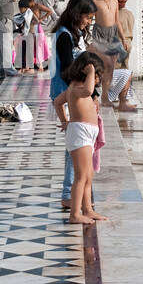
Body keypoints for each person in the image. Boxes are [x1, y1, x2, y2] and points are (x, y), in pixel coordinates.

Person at [52, 52, 107, 225]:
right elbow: (89, 90)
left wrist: (64, 121)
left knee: (88, 175)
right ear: (86, 71)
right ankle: (75, 214)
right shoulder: (77, 88)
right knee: (81, 176)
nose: (97, 79)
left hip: (86, 133)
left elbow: (57, 102)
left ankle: (87, 209)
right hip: (80, 133)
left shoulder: (76, 89)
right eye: (96, 75)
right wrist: (91, 72)